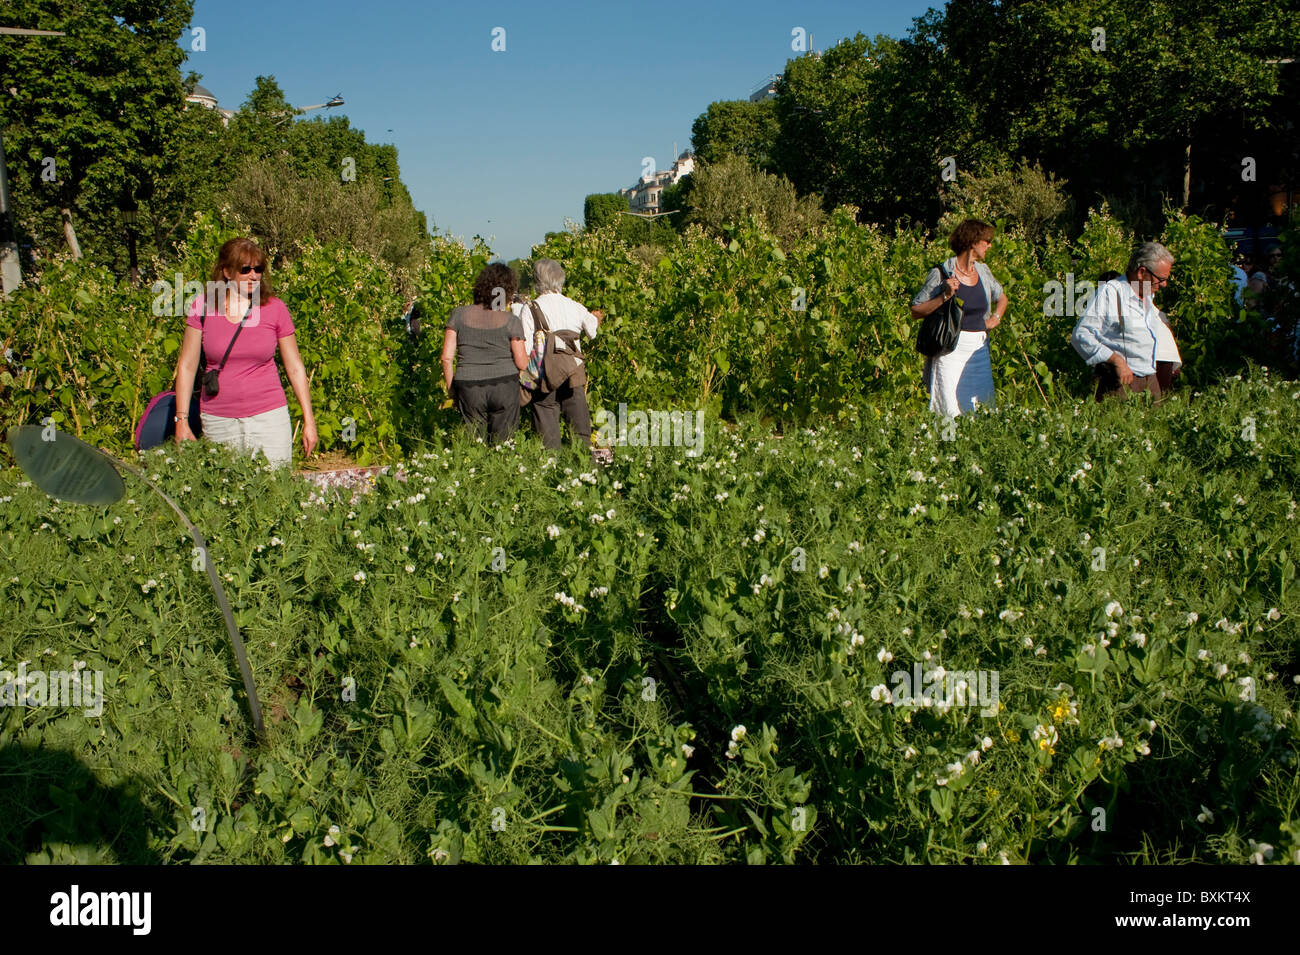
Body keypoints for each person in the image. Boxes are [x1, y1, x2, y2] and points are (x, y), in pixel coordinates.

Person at [174, 238, 317, 466]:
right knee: (225, 493)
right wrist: (181, 421)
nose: (254, 275)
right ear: (227, 272)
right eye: (246, 269)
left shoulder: (275, 308)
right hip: (218, 420)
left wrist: (309, 420)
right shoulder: (203, 306)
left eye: (258, 269)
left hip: (269, 418)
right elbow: (187, 365)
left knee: (276, 492)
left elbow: (295, 367)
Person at [910, 219, 1007, 417]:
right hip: (950, 349)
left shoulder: (983, 271)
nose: (989, 245)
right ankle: (947, 445)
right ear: (973, 241)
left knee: (983, 407)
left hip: (978, 350)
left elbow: (1002, 298)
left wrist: (996, 317)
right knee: (949, 410)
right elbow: (916, 310)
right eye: (986, 241)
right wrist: (944, 296)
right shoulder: (941, 273)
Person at [513, 258, 603, 449]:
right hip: (573, 372)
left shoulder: (530, 309)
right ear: (560, 279)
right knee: (580, 429)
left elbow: (527, 347)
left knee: (547, 432)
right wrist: (596, 318)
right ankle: (585, 468)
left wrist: (526, 381)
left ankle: (552, 470)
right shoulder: (574, 306)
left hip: (545, 374)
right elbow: (592, 332)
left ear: (537, 280)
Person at [1071, 241, 1174, 402]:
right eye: (1161, 279)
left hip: (1149, 379)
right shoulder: (1111, 293)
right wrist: (1116, 360)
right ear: (1141, 272)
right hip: (1122, 383)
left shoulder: (1147, 295)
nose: (1164, 284)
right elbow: (1081, 335)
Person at [442, 262, 528, 444]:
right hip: (504, 384)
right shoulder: (511, 320)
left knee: (474, 444)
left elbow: (447, 357)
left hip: (469, 385)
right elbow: (522, 363)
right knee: (504, 446)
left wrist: (452, 390)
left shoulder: (458, 315)